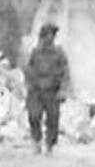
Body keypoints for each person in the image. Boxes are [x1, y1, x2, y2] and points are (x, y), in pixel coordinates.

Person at [25, 23, 71, 154]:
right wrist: (28, 85)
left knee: (52, 119)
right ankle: (36, 140)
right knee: (34, 116)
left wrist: (63, 90)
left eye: (52, 36)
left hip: (52, 91)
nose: (49, 39)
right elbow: (29, 70)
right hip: (36, 90)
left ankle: (50, 144)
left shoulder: (59, 53)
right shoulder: (35, 52)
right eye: (47, 36)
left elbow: (65, 73)